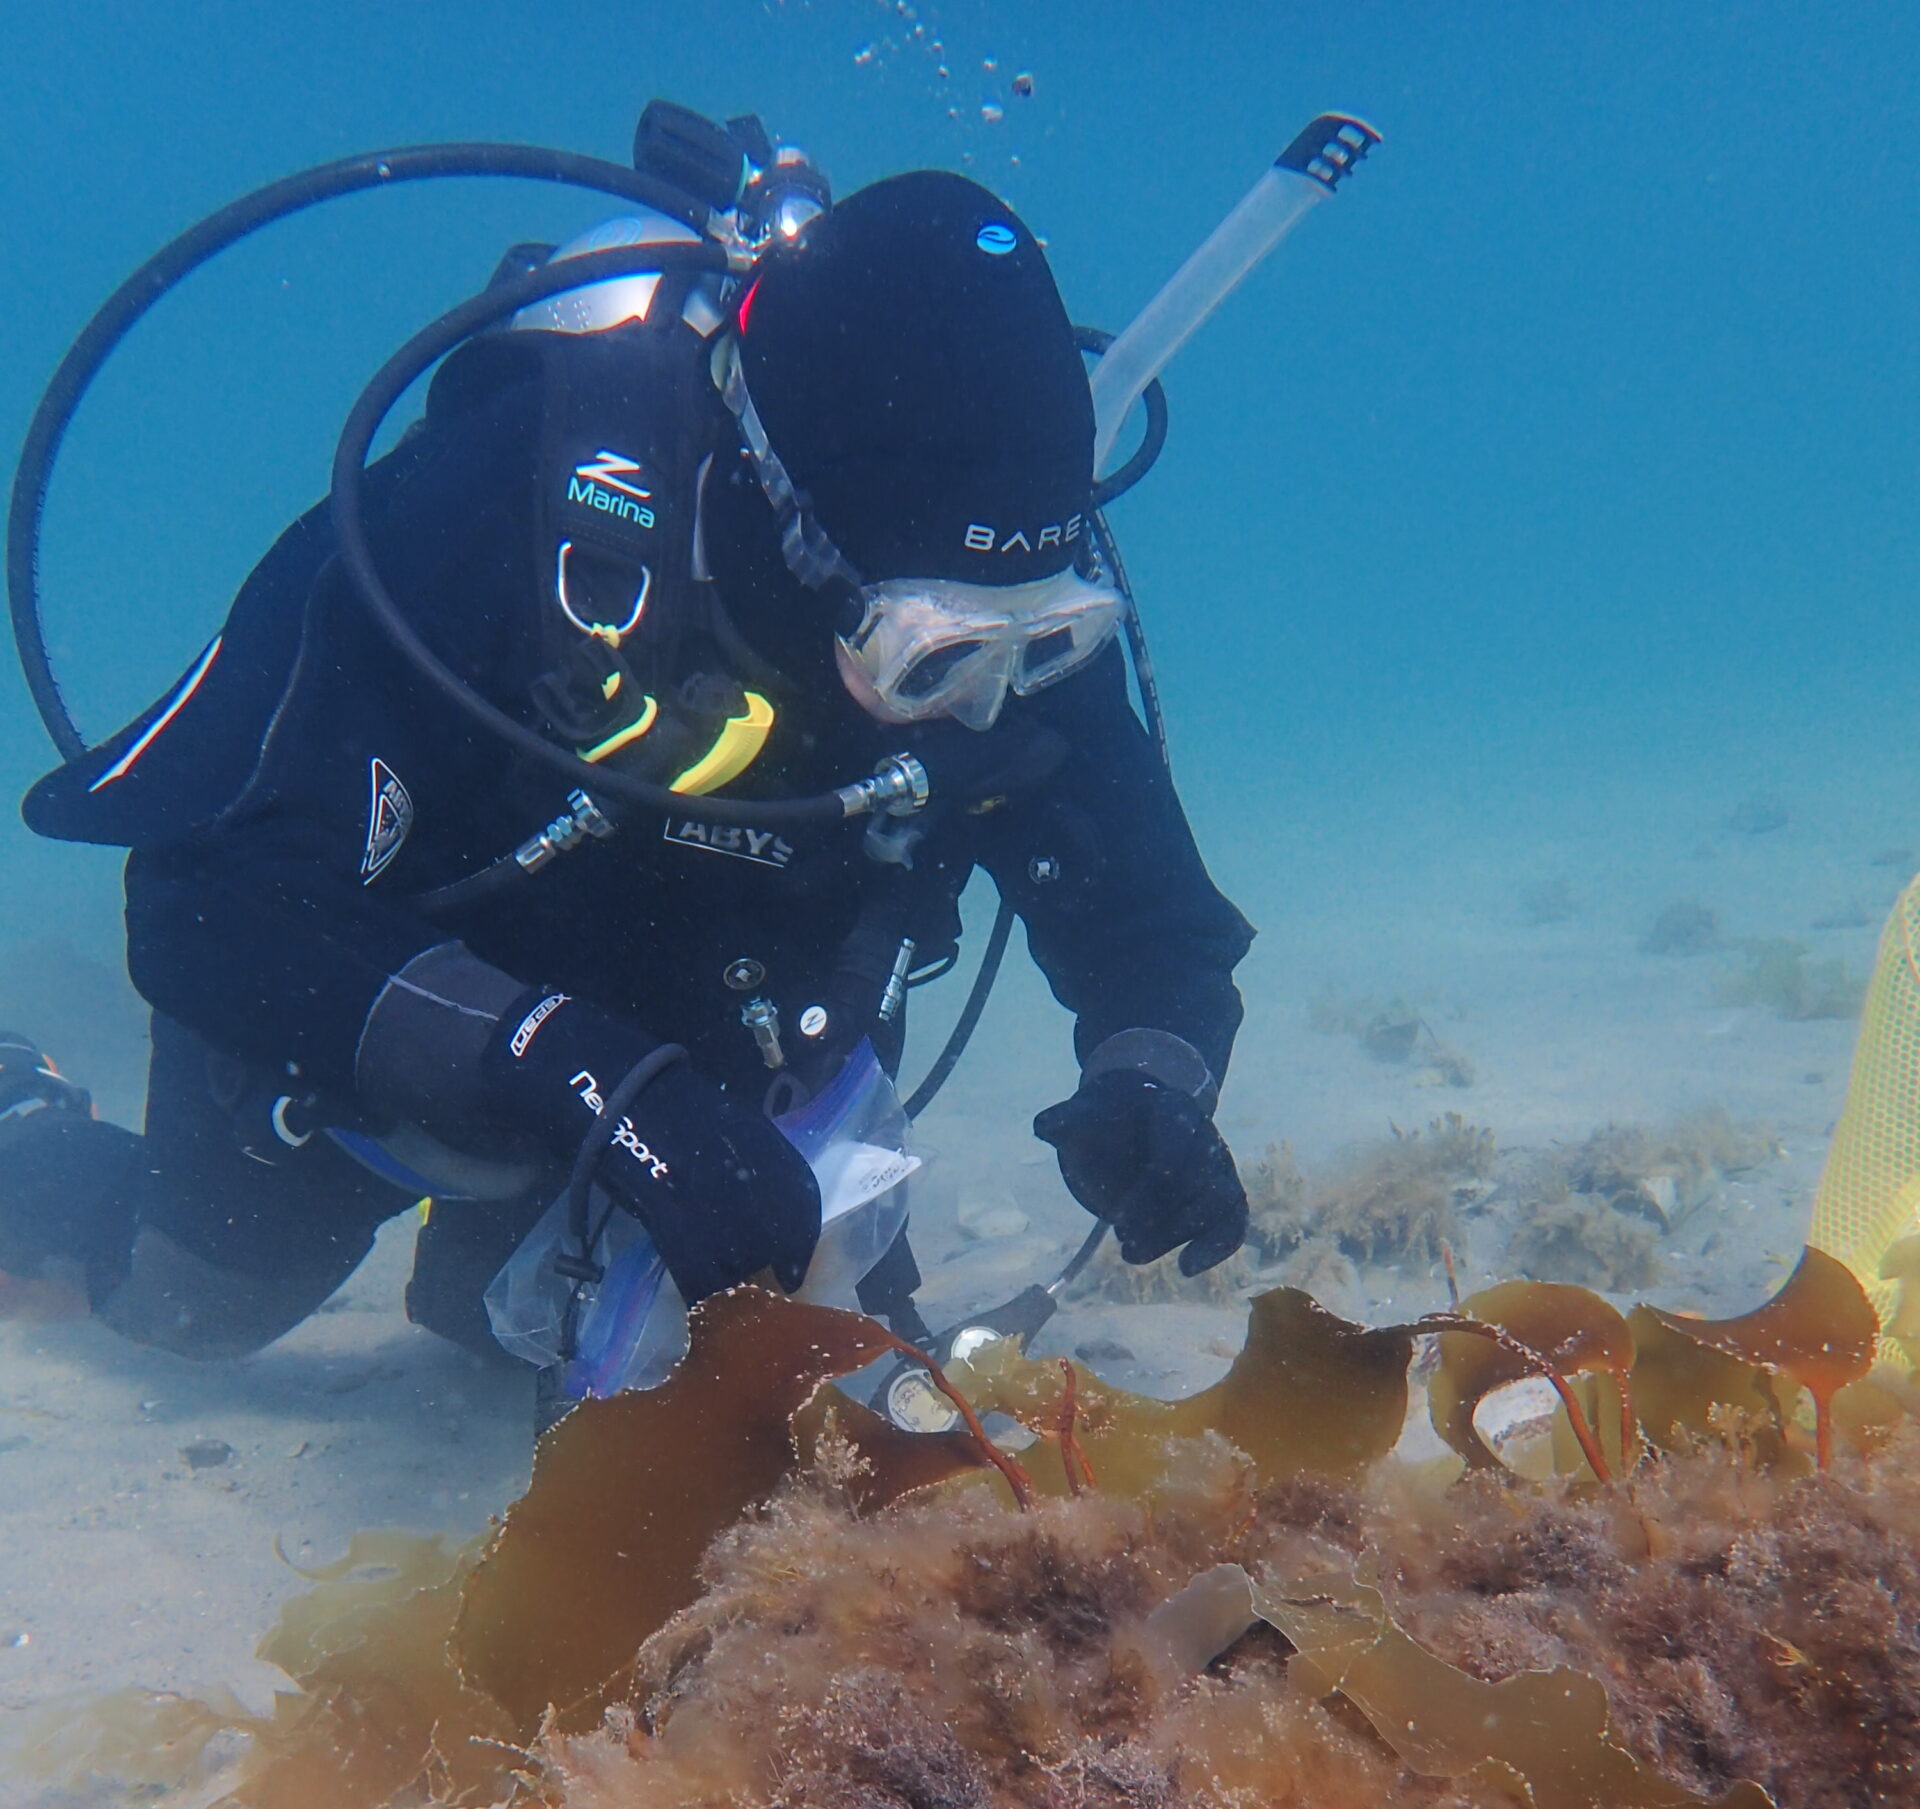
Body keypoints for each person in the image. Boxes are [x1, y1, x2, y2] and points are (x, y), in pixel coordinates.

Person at [0, 163, 1254, 1386]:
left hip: (720, 1078)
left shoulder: (1006, 611)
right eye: (931, 657)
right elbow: (208, 899)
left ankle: (486, 1280)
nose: (989, 698)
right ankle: (20, 1111)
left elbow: (1153, 926)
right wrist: (587, 1078)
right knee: (190, 1302)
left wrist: (1150, 1078)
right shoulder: (491, 511)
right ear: (784, 515)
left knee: (806, 1380)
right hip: (407, 1030)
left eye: (1040, 643)